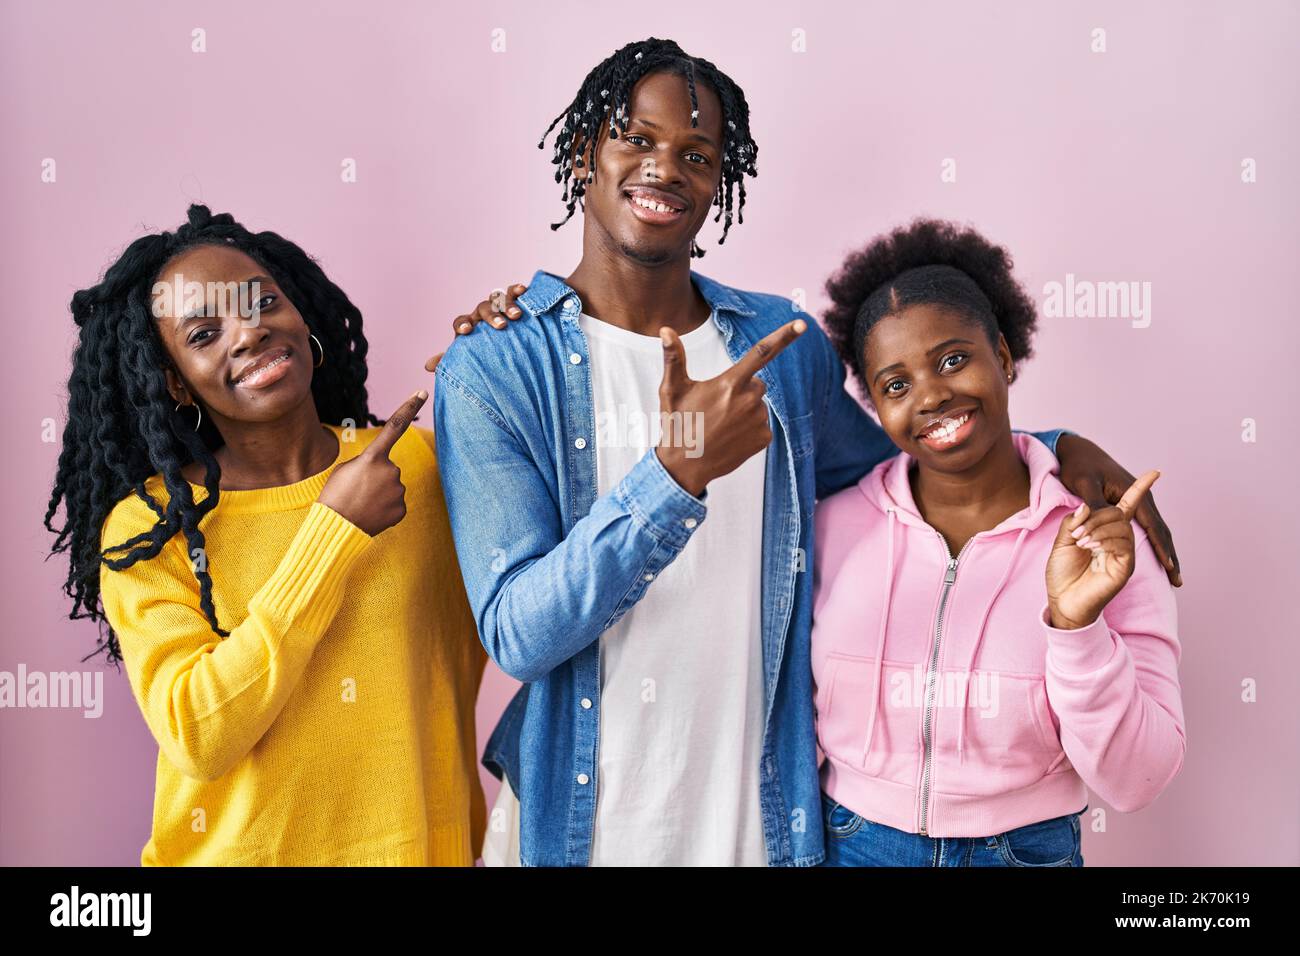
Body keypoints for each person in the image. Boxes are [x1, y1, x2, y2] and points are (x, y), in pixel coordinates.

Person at [434, 37, 1180, 867]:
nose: (664, 167)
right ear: (584, 153)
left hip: (764, 825)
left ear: (722, 181)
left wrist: (1050, 449)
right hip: (580, 826)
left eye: (697, 153)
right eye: (634, 139)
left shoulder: (780, 350)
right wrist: (675, 476)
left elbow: (899, 469)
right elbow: (518, 634)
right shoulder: (494, 368)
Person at [45, 204, 487, 865]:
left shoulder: (419, 469)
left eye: (262, 302)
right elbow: (199, 732)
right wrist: (333, 532)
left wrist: (515, 355)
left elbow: (536, 596)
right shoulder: (153, 525)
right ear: (176, 383)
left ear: (301, 316)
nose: (247, 333)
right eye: (203, 335)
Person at [811, 218, 1185, 866]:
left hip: (1022, 851)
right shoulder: (831, 525)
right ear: (874, 405)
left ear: (1004, 358)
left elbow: (1139, 779)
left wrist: (1077, 629)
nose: (930, 395)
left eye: (953, 359)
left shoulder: (1102, 535)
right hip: (851, 844)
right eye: (895, 384)